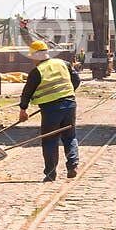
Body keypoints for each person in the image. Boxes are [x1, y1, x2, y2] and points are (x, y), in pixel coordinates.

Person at [17, 39, 81, 182]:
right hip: (70, 104)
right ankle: (73, 165)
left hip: (51, 109)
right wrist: (67, 93)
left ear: (34, 56)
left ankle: (51, 174)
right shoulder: (63, 63)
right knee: (69, 136)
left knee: (50, 140)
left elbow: (27, 92)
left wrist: (23, 110)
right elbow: (76, 80)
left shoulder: (37, 71)